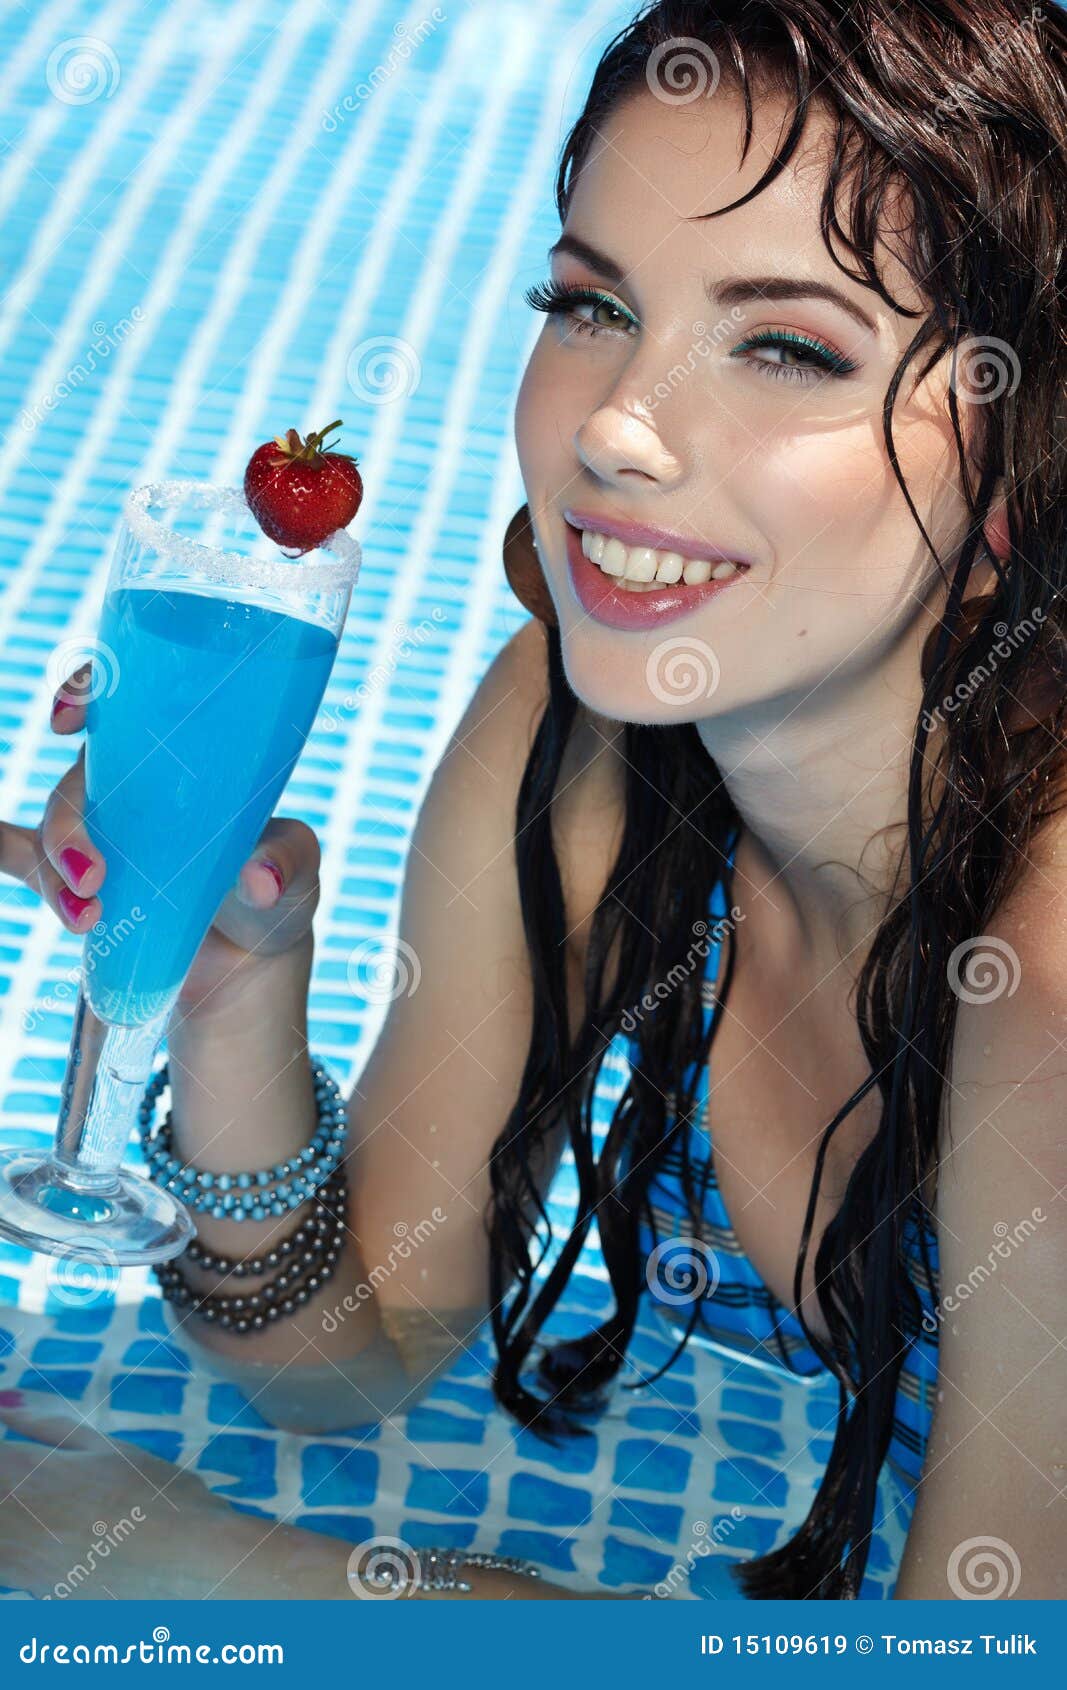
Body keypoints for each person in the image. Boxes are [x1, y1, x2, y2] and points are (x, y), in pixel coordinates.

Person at [1, 0, 1065, 1602]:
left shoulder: (1044, 974)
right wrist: (232, 990)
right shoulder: (595, 735)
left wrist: (193, 1561)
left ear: (1018, 471)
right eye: (591, 306)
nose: (618, 430)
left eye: (786, 345)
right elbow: (349, 1345)